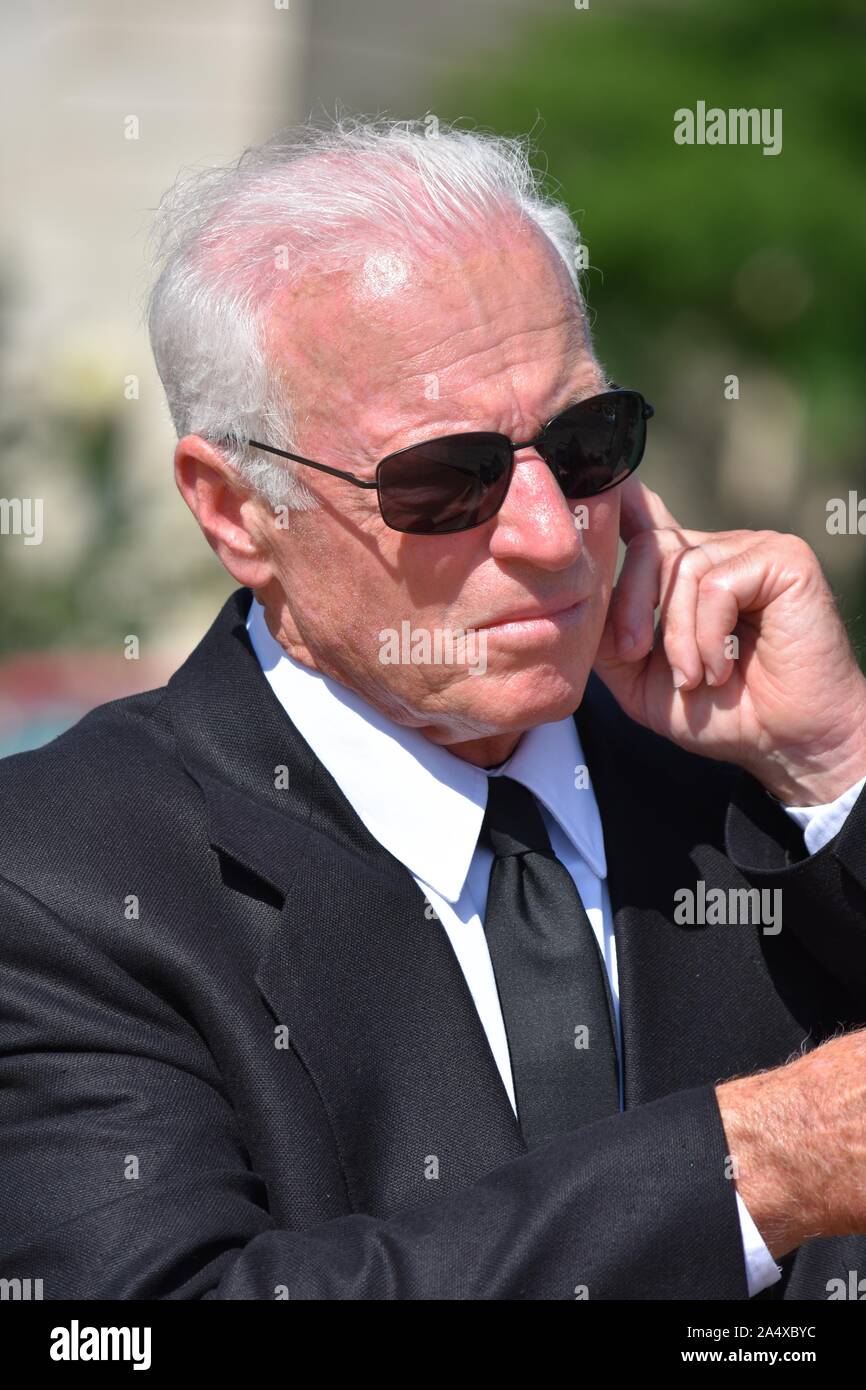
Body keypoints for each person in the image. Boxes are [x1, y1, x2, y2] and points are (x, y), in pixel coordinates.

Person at [1, 117, 865, 1301]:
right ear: (236, 509)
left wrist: (834, 763)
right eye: (441, 481)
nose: (551, 536)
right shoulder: (60, 871)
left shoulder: (753, 778)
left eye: (583, 442)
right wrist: (756, 1168)